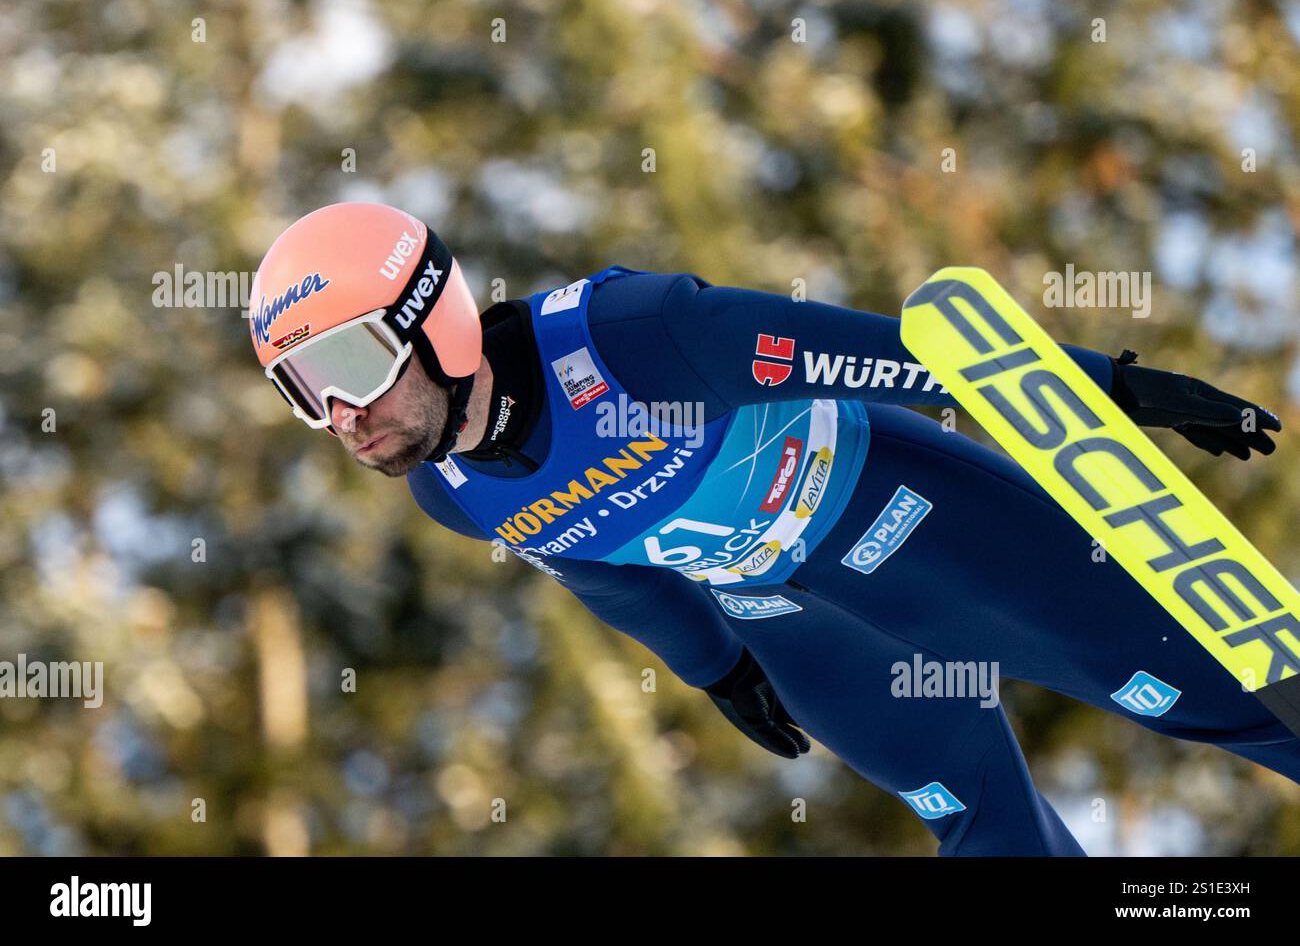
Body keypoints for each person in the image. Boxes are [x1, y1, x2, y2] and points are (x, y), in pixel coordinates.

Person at [249, 200, 1292, 855]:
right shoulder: (450, 488)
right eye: (303, 389)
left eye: (350, 367)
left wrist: (1106, 388)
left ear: (431, 317)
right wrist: (715, 668)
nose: (342, 415)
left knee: (1205, 694)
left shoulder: (625, 339)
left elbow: (874, 356)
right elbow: (601, 568)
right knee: (973, 820)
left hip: (915, 521)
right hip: (801, 624)